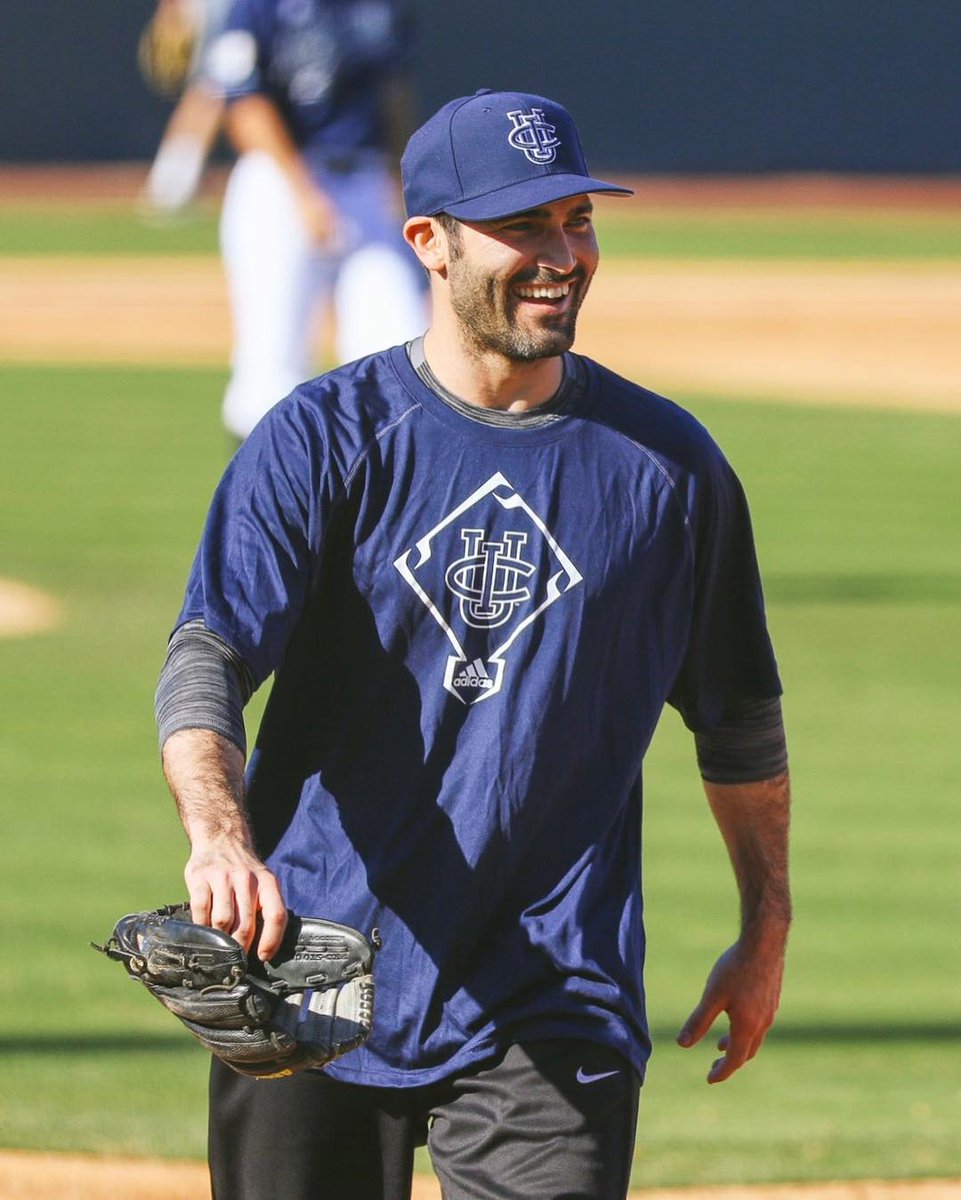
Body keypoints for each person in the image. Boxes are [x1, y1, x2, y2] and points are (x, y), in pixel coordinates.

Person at [155, 88, 792, 1200]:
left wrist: (765, 919)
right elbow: (208, 654)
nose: (562, 256)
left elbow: (737, 718)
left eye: (578, 221)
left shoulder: (668, 470)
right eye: (523, 227)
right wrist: (218, 837)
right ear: (428, 245)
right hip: (311, 962)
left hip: (556, 988)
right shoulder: (322, 438)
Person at [200, 0, 427, 441]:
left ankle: (380, 492)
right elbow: (242, 101)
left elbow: (393, 94)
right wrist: (302, 194)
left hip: (364, 178)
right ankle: (265, 499)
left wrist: (403, 181)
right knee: (271, 363)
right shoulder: (257, 6)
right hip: (277, 178)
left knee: (400, 347)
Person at [139, 0, 231, 215]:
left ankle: (167, 184)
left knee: (203, 93)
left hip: (206, 9)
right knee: (214, 93)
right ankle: (174, 190)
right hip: (216, 9)